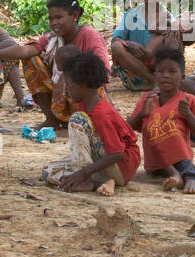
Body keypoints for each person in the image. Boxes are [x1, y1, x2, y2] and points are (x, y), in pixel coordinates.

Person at [0, 0, 110, 130]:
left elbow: (103, 72)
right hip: (60, 96)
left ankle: (89, 120)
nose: (53, 23)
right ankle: (52, 119)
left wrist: (68, 75)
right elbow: (24, 51)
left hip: (86, 100)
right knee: (31, 60)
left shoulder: (89, 35)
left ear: (74, 16)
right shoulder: (52, 38)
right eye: (51, 18)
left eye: (58, 17)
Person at [41, 51, 140, 196]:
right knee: (49, 171)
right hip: (106, 165)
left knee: (77, 120)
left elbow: (117, 154)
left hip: (121, 166)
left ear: (81, 85)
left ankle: (88, 180)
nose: (66, 89)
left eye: (68, 84)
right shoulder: (86, 105)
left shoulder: (102, 113)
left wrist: (83, 173)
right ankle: (102, 183)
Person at [128, 47, 195, 193]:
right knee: (154, 129)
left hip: (181, 161)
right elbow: (126, 127)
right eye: (161, 71)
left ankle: (189, 176)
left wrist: (188, 115)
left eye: (172, 71)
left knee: (168, 129)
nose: (166, 75)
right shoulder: (148, 98)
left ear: (183, 76)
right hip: (156, 165)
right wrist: (141, 114)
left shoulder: (188, 100)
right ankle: (176, 175)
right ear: (154, 74)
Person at [110, 0, 184, 91]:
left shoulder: (169, 17)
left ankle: (160, 80)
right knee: (117, 47)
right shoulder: (131, 15)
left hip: (159, 71)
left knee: (174, 37)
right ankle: (152, 81)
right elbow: (115, 40)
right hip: (134, 75)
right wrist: (129, 44)